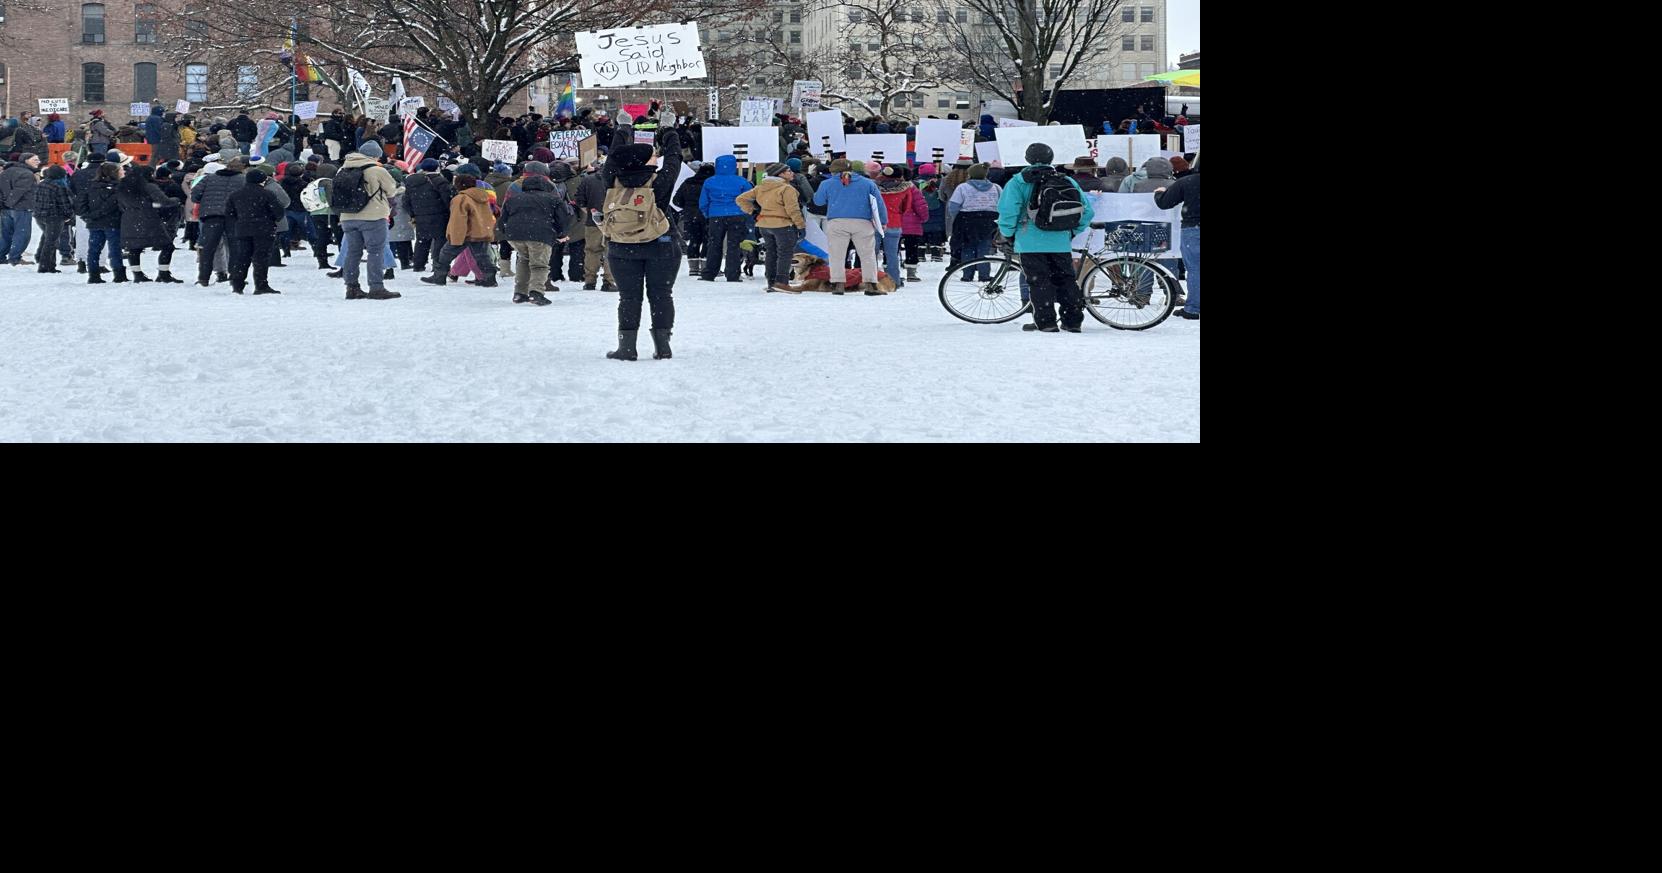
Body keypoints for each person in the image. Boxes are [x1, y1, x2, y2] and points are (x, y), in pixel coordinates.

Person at [600, 125, 683, 361]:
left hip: (622, 246)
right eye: (652, 155)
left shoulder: (612, 181)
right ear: (645, 161)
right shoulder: (660, 182)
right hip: (662, 244)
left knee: (628, 298)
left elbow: (613, 156)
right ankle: (663, 346)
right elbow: (674, 159)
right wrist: (670, 133)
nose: (656, 158)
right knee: (661, 295)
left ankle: (627, 347)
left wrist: (623, 130)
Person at [997, 143, 1093, 333]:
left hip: (1029, 240)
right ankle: (1073, 321)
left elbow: (1008, 212)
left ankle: (1046, 322)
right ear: (1051, 159)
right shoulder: (1066, 180)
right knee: (1066, 280)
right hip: (1060, 240)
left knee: (1039, 282)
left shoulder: (1018, 182)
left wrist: (1007, 234)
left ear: (1027, 159)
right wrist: (1072, 231)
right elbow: (1087, 211)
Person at [497, 161, 571, 306]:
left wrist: (506, 232)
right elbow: (562, 218)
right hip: (540, 235)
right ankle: (536, 293)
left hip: (516, 235)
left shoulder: (514, 197)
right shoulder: (553, 198)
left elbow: (503, 218)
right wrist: (562, 234)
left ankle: (520, 293)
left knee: (524, 260)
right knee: (539, 265)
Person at [335, 141, 400, 300]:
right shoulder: (377, 170)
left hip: (348, 216)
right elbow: (391, 190)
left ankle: (351, 287)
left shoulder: (343, 168)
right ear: (376, 156)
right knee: (375, 251)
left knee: (353, 252)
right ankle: (376, 287)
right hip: (373, 216)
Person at [812, 158, 887, 295]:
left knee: (837, 254)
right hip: (863, 222)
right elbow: (879, 204)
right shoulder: (868, 183)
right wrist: (882, 221)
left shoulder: (827, 183)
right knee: (867, 254)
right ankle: (870, 284)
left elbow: (818, 201)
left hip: (837, 222)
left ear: (833, 171)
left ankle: (838, 284)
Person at [420, 163, 497, 292]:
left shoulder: (461, 198)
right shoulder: (483, 196)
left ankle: (439, 276)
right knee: (482, 256)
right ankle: (490, 277)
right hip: (480, 231)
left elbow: (458, 220)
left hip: (465, 233)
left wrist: (455, 236)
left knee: (445, 254)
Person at [736, 162, 806, 292]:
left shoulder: (761, 187)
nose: (792, 173)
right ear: (780, 174)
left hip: (764, 225)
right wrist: (800, 225)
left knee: (771, 253)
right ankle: (782, 283)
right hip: (783, 224)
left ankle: (771, 282)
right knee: (785, 254)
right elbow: (793, 210)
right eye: (789, 171)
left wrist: (754, 211)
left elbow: (740, 199)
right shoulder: (786, 189)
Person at [116, 164, 186, 283]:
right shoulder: (148, 186)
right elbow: (164, 201)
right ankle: (163, 273)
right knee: (167, 246)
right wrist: (176, 200)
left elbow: (120, 204)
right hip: (149, 218)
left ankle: (137, 274)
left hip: (129, 219)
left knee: (134, 248)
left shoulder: (122, 187)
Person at [697, 154, 753, 283]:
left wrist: (708, 213)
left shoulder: (709, 181)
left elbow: (703, 202)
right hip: (737, 215)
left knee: (714, 244)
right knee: (734, 245)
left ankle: (709, 273)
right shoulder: (741, 181)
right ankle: (733, 274)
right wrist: (745, 212)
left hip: (715, 215)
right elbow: (749, 198)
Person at [1154, 163, 1199, 320]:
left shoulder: (1187, 182)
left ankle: (1193, 309)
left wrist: (1159, 193)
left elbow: (1164, 203)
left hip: (1193, 229)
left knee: (1195, 269)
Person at [946, 163, 1002, 280]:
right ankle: (984, 274)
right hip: (989, 220)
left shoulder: (963, 187)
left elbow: (953, 206)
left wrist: (957, 217)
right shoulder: (996, 188)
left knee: (967, 246)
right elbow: (1002, 204)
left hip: (967, 219)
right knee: (984, 246)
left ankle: (967, 274)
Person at [571, 159, 616, 291]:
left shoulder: (588, 180)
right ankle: (609, 281)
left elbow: (579, 200)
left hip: (593, 222)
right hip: (614, 222)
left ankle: (589, 281)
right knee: (612, 251)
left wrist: (591, 212)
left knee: (591, 251)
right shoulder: (618, 180)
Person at [77, 162, 124, 283]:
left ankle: (93, 275)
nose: (123, 172)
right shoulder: (119, 188)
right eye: (120, 170)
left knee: (94, 250)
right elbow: (113, 206)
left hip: (95, 223)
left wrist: (88, 216)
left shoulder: (91, 186)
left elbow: (81, 204)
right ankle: (119, 274)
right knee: (115, 249)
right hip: (113, 222)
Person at [402, 158, 452, 274]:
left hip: (420, 215)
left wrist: (413, 214)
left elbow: (406, 201)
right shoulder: (440, 181)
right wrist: (449, 211)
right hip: (439, 215)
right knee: (439, 240)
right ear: (437, 168)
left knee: (422, 240)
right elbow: (447, 199)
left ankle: (418, 264)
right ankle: (437, 264)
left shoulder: (412, 181)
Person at [29, 165, 75, 273]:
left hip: (40, 216)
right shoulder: (59, 187)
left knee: (48, 239)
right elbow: (64, 204)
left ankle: (48, 263)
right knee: (51, 241)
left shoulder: (41, 184)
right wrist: (69, 216)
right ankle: (45, 266)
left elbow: (36, 200)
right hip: (54, 217)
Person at [1, 152, 41, 267]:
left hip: (6, 208)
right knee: (22, 234)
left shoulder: (6, 171)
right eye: (35, 159)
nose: (38, 161)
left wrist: (4, 204)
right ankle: (15, 258)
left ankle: (1, 255)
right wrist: (9, 203)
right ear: (26, 160)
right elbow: (18, 191)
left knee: (6, 233)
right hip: (21, 208)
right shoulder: (27, 174)